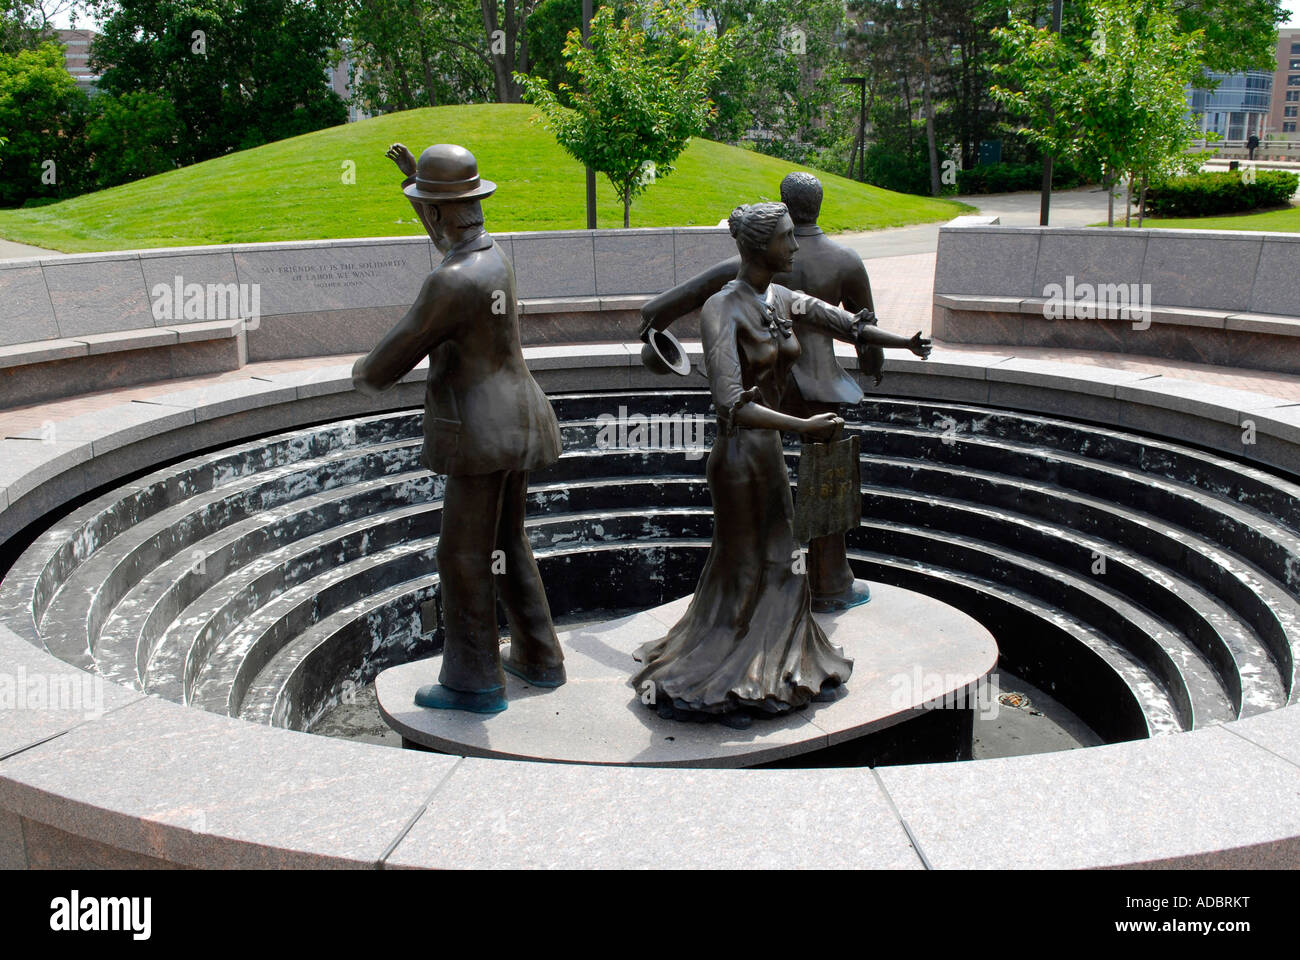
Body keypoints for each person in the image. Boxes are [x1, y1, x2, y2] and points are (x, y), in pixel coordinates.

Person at [631, 202, 931, 728]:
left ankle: (769, 671)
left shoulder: (783, 297)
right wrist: (806, 428)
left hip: (767, 452)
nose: (796, 246)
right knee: (747, 567)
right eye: (787, 238)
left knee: (781, 562)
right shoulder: (722, 309)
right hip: (739, 458)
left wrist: (902, 342)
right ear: (757, 246)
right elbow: (731, 403)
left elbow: (846, 326)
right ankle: (723, 680)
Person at [353, 143, 565, 714]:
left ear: (441, 212)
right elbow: (447, 234)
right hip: (521, 420)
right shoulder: (493, 256)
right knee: (507, 541)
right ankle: (540, 658)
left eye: (427, 207)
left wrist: (361, 372)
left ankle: (474, 681)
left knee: (462, 555)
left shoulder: (449, 284)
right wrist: (414, 185)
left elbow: (380, 370)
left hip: (478, 432)